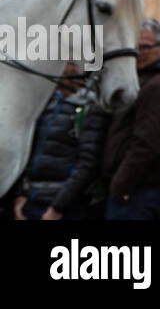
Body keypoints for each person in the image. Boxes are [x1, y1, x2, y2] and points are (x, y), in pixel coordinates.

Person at [101, 19, 160, 220]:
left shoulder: (159, 84)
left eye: (145, 47)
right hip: (128, 189)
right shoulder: (142, 77)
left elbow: (146, 143)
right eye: (135, 47)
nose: (138, 52)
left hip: (136, 193)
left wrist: (121, 184)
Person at [12, 61, 110, 220]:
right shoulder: (48, 103)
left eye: (70, 62)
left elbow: (87, 163)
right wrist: (21, 195)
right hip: (31, 201)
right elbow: (29, 151)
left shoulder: (90, 108)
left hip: (62, 207)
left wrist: (57, 208)